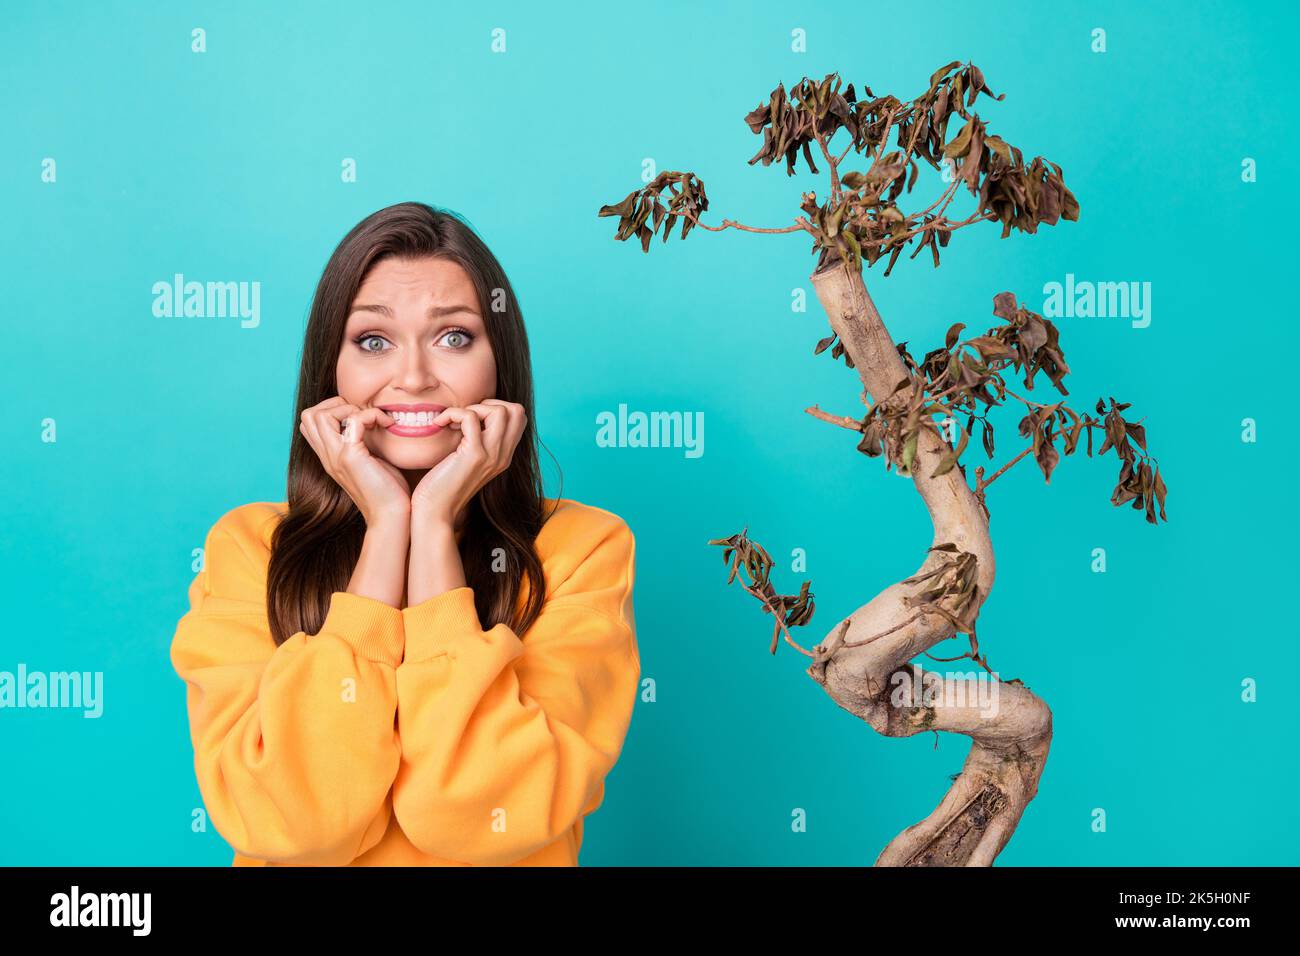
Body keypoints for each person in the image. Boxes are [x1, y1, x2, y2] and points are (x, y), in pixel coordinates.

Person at [169, 201, 640, 866]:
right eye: (373, 340)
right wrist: (390, 526)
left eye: (453, 337)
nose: (415, 377)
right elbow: (297, 827)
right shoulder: (250, 549)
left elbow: (483, 821)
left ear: (500, 363)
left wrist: (435, 530)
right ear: (330, 368)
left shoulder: (581, 548)